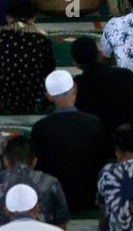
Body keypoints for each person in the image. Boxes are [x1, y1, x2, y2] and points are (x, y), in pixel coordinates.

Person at [30, 70, 110, 212]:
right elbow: (103, 160)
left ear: (48, 96)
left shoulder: (40, 128)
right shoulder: (93, 123)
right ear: (75, 89)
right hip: (89, 198)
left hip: (54, 200)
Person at [0, 0, 55, 112]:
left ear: (8, 17)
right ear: (33, 18)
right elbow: (49, 68)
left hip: (2, 102)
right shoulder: (42, 37)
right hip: (35, 102)